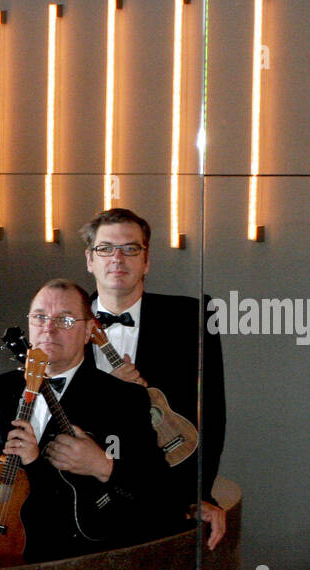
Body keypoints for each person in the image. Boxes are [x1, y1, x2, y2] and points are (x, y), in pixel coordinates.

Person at [80, 207, 227, 549]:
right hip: (82, 495)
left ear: (146, 261)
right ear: (90, 259)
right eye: (106, 248)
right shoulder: (62, 322)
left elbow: (211, 416)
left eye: (131, 249)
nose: (118, 258)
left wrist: (197, 495)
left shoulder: (191, 319)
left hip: (163, 498)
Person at [1, 279, 173, 562]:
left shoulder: (124, 398)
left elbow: (161, 493)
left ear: (89, 331)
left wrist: (103, 465)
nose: (49, 327)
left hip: (84, 560)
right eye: (40, 317)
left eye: (65, 320)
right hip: (3, 557)